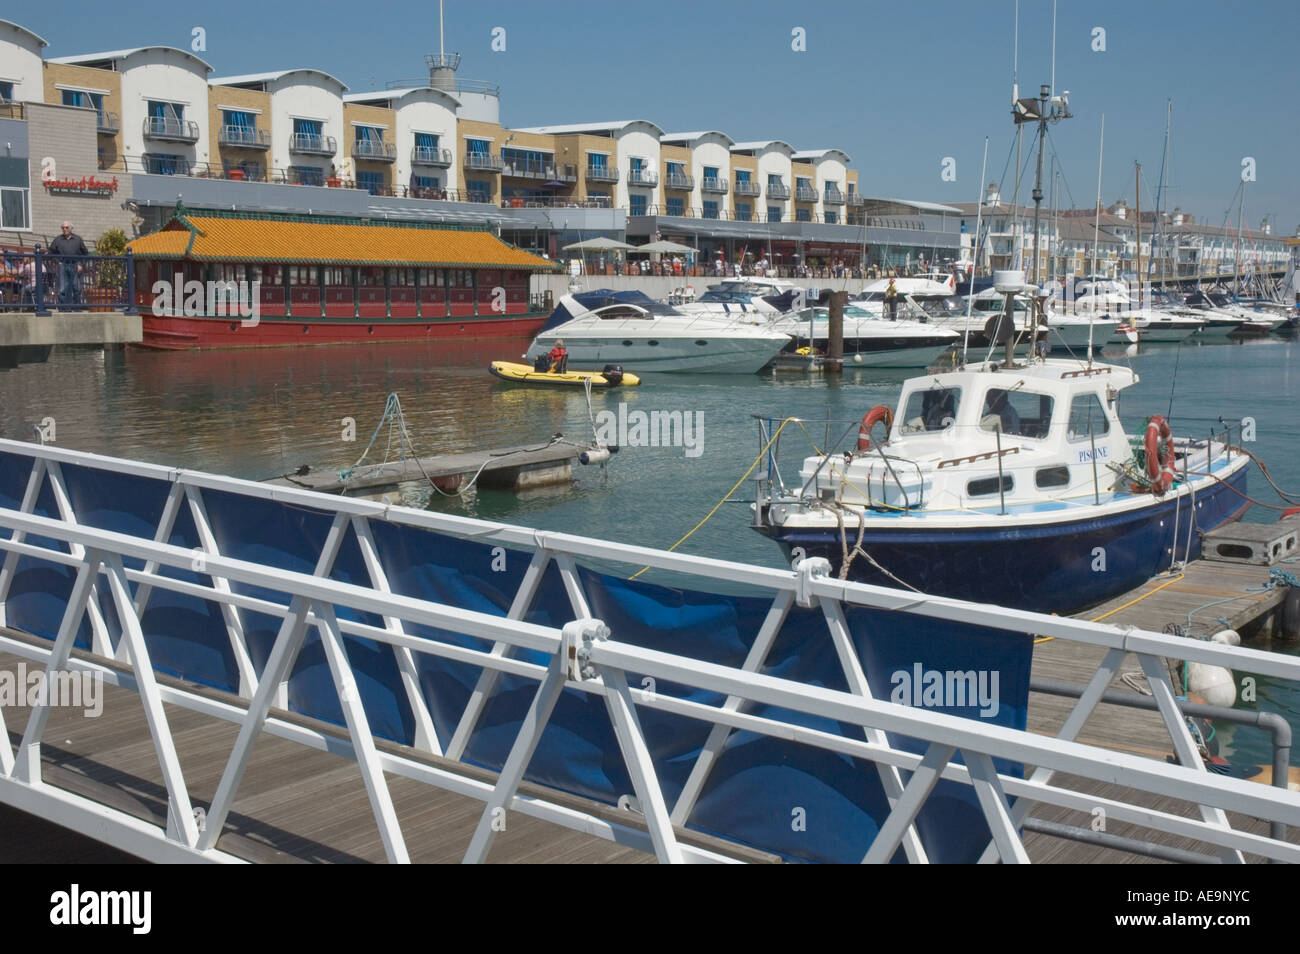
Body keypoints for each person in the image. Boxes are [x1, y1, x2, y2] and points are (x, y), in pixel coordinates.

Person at [49, 221, 89, 311]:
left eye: (67, 227)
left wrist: (81, 264)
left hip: (75, 265)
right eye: (63, 227)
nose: (64, 229)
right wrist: (57, 262)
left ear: (71, 228)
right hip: (63, 265)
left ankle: (76, 307)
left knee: (77, 288)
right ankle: (63, 308)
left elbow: (85, 253)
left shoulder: (78, 239)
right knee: (62, 288)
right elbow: (50, 253)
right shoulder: (57, 240)